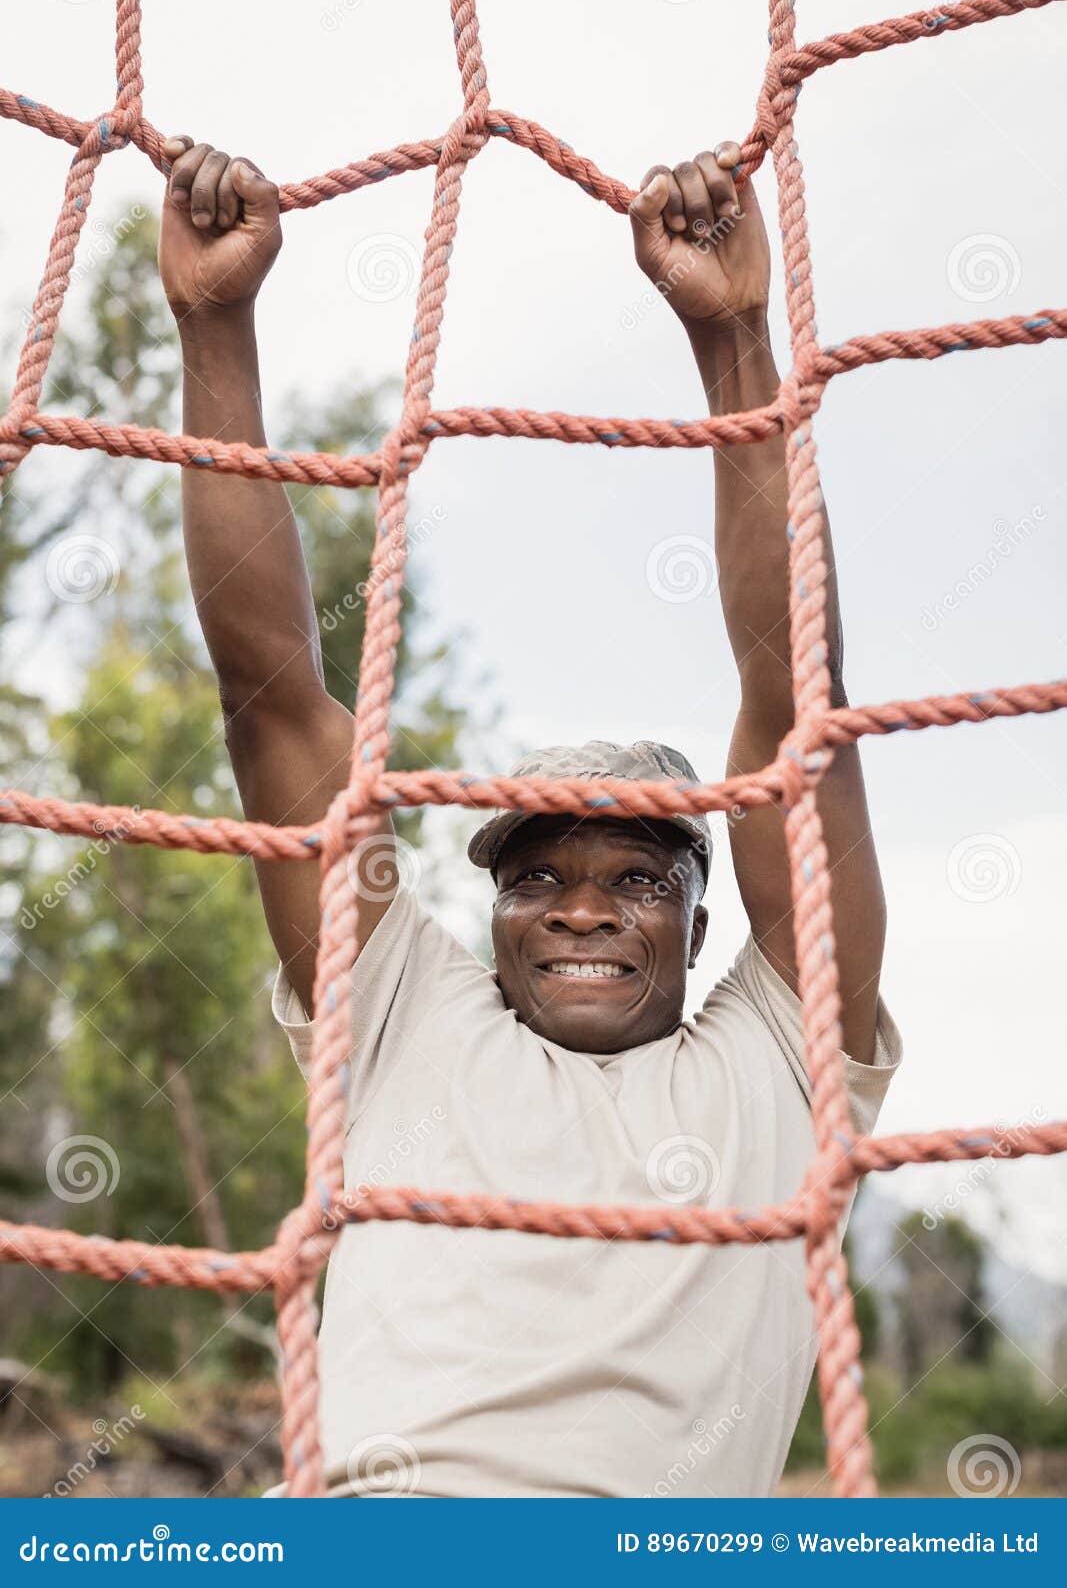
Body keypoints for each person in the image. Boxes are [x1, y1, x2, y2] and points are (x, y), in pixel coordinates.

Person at [162, 132, 901, 1498]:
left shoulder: (775, 1070)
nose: (578, 905)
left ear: (703, 906)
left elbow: (803, 703)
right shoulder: (405, 1017)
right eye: (538, 872)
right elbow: (274, 697)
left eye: (632, 875)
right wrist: (218, 326)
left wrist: (736, 340)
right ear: (491, 905)